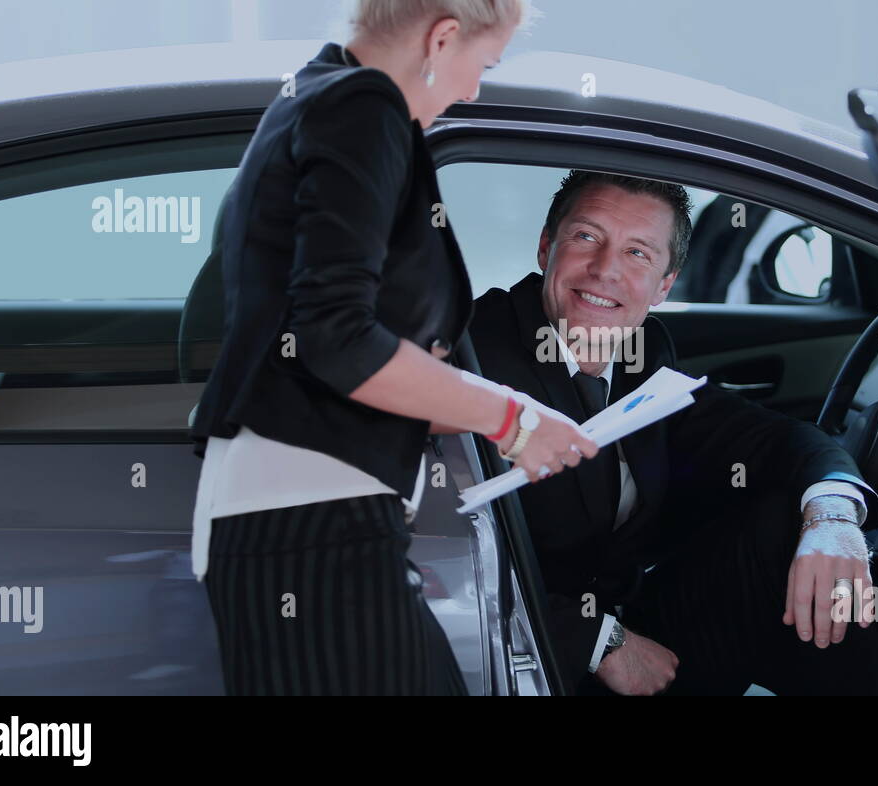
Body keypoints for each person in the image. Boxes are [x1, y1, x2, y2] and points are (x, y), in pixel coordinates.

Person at [188, 0, 598, 696]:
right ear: (441, 38)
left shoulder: (317, 98)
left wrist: (504, 421)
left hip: (307, 521)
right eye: (483, 66)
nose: (472, 90)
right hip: (315, 530)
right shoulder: (364, 106)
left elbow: (334, 355)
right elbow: (339, 341)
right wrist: (513, 418)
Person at [469, 171, 878, 695]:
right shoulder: (473, 351)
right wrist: (597, 641)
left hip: (634, 608)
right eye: (586, 237)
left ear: (664, 285)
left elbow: (770, 438)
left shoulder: (642, 351)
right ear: (547, 248)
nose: (605, 270)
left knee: (783, 527)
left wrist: (834, 518)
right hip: (530, 655)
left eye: (637, 253)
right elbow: (436, 551)